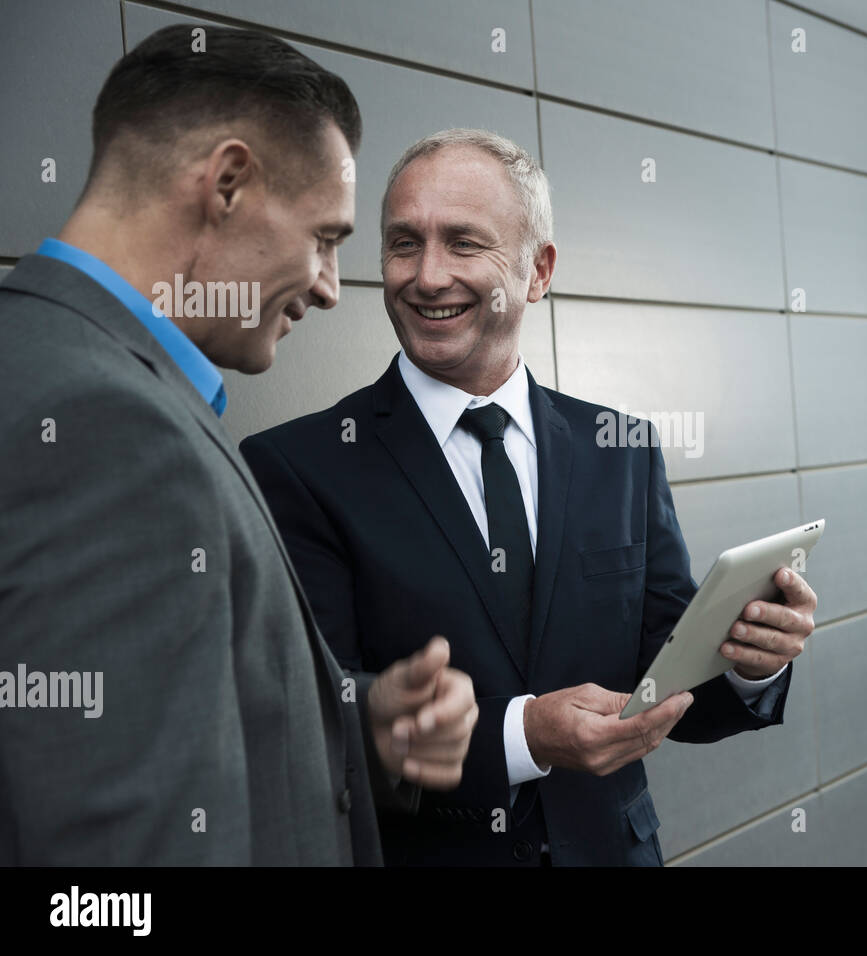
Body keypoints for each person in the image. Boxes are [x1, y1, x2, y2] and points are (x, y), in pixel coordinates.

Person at [240, 129, 817, 866]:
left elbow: (662, 680)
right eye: (402, 244)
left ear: (538, 270)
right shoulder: (298, 467)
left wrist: (750, 661)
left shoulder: (622, 447)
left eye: (463, 242)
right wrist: (522, 737)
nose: (426, 275)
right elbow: (315, 728)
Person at [0, 25, 477, 866]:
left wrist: (363, 725)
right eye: (326, 237)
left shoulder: (51, 365)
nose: (332, 287)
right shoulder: (109, 429)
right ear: (226, 183)